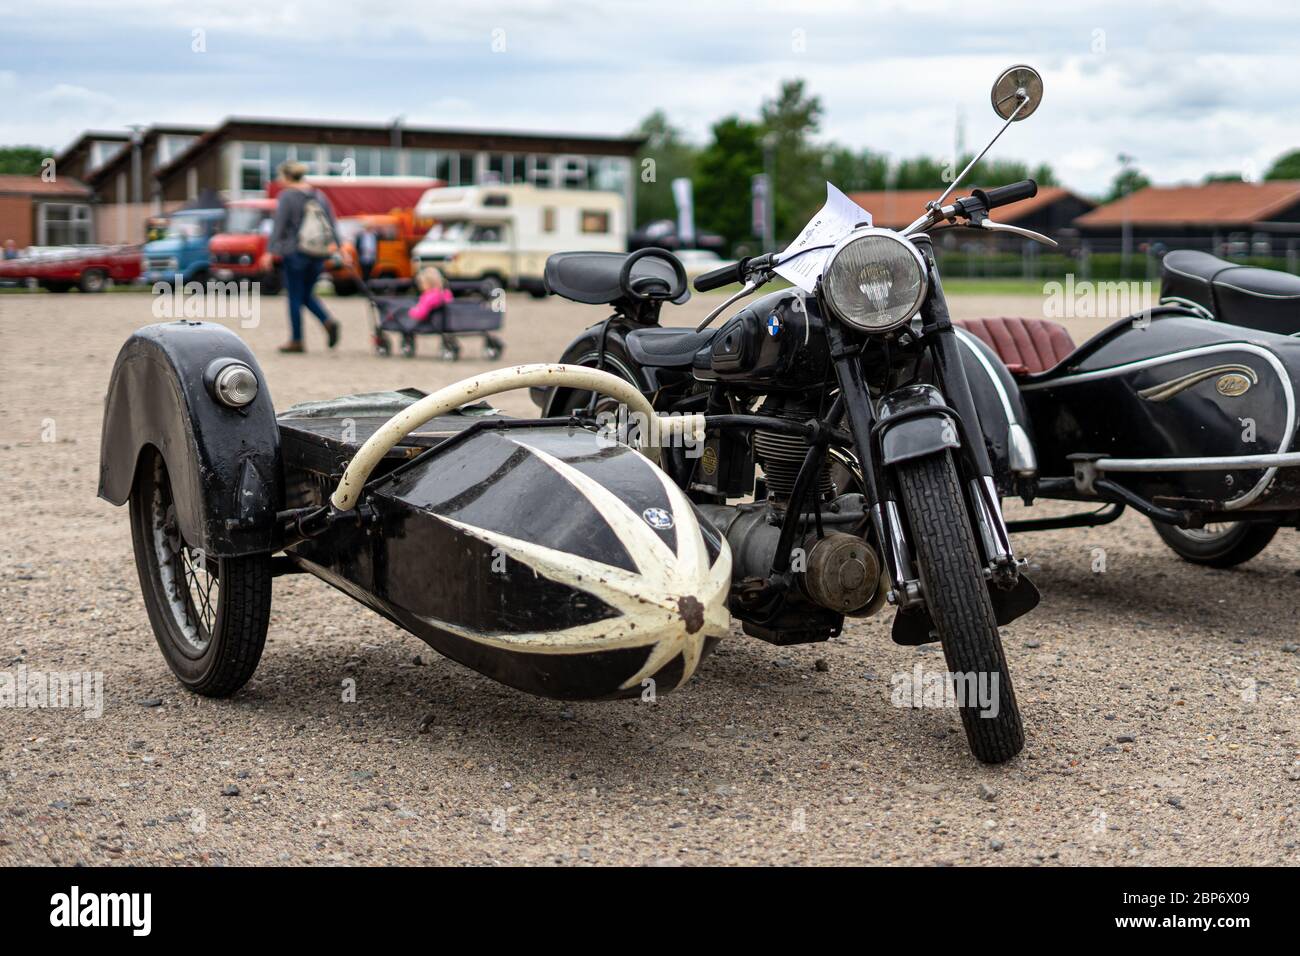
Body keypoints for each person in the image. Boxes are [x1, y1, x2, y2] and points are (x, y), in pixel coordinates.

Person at [269, 161, 341, 353]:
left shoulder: (287, 196)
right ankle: (327, 321)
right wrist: (338, 247)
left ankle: (297, 340)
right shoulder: (318, 195)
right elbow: (331, 223)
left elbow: (279, 225)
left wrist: (270, 251)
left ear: (286, 176)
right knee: (306, 294)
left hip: (295, 252)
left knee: (294, 296)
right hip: (317, 254)